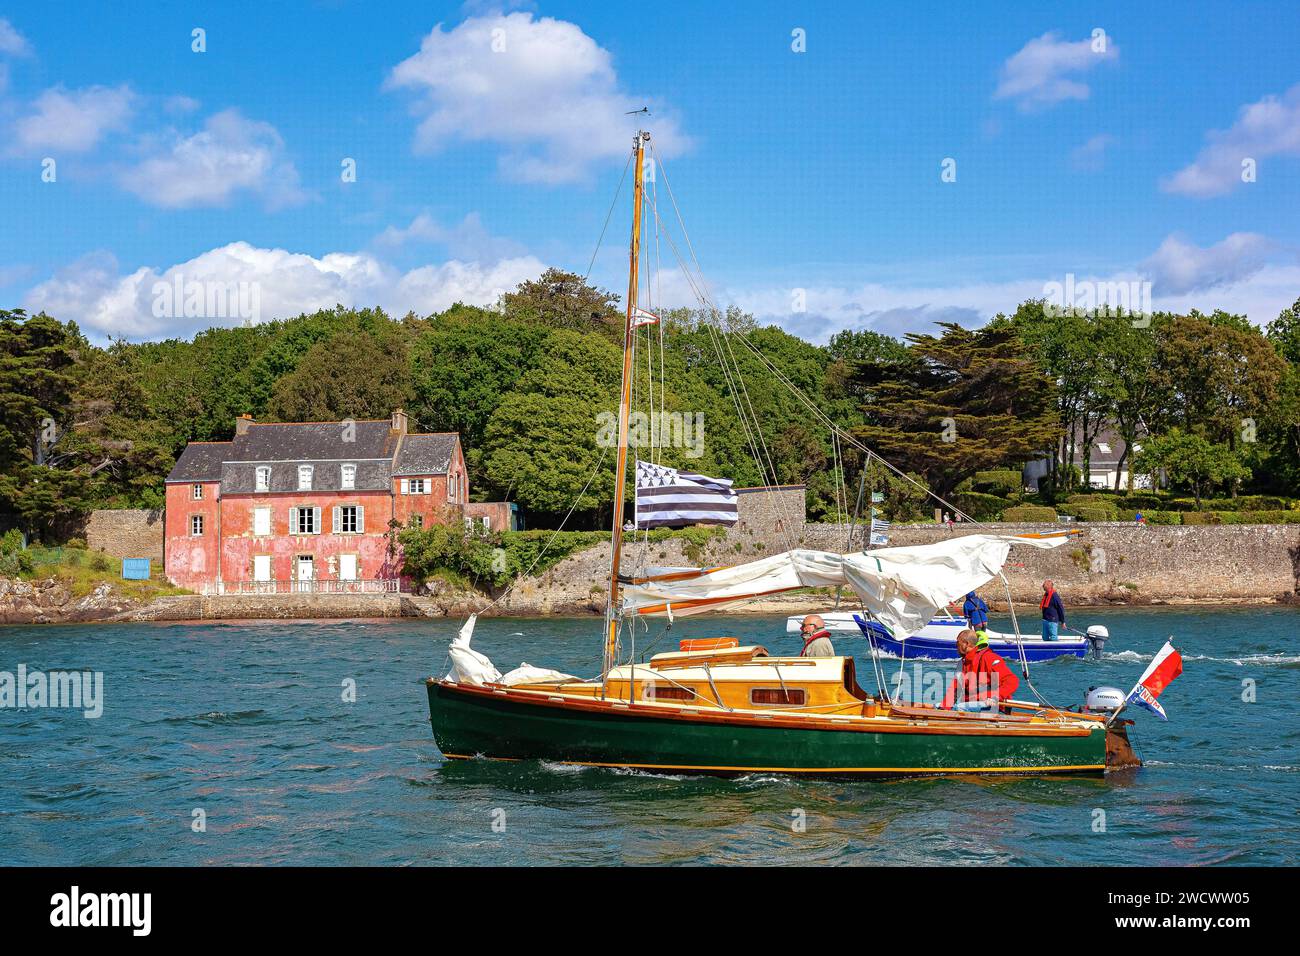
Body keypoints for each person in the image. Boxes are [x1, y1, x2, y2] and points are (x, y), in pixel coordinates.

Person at [943, 629, 1020, 712]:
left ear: (967, 644)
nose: (956, 647)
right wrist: (943, 708)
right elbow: (955, 689)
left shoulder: (989, 658)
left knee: (959, 707)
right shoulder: (963, 663)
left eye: (958, 644)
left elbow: (1012, 681)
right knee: (938, 706)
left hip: (993, 705)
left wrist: (994, 696)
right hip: (972, 705)